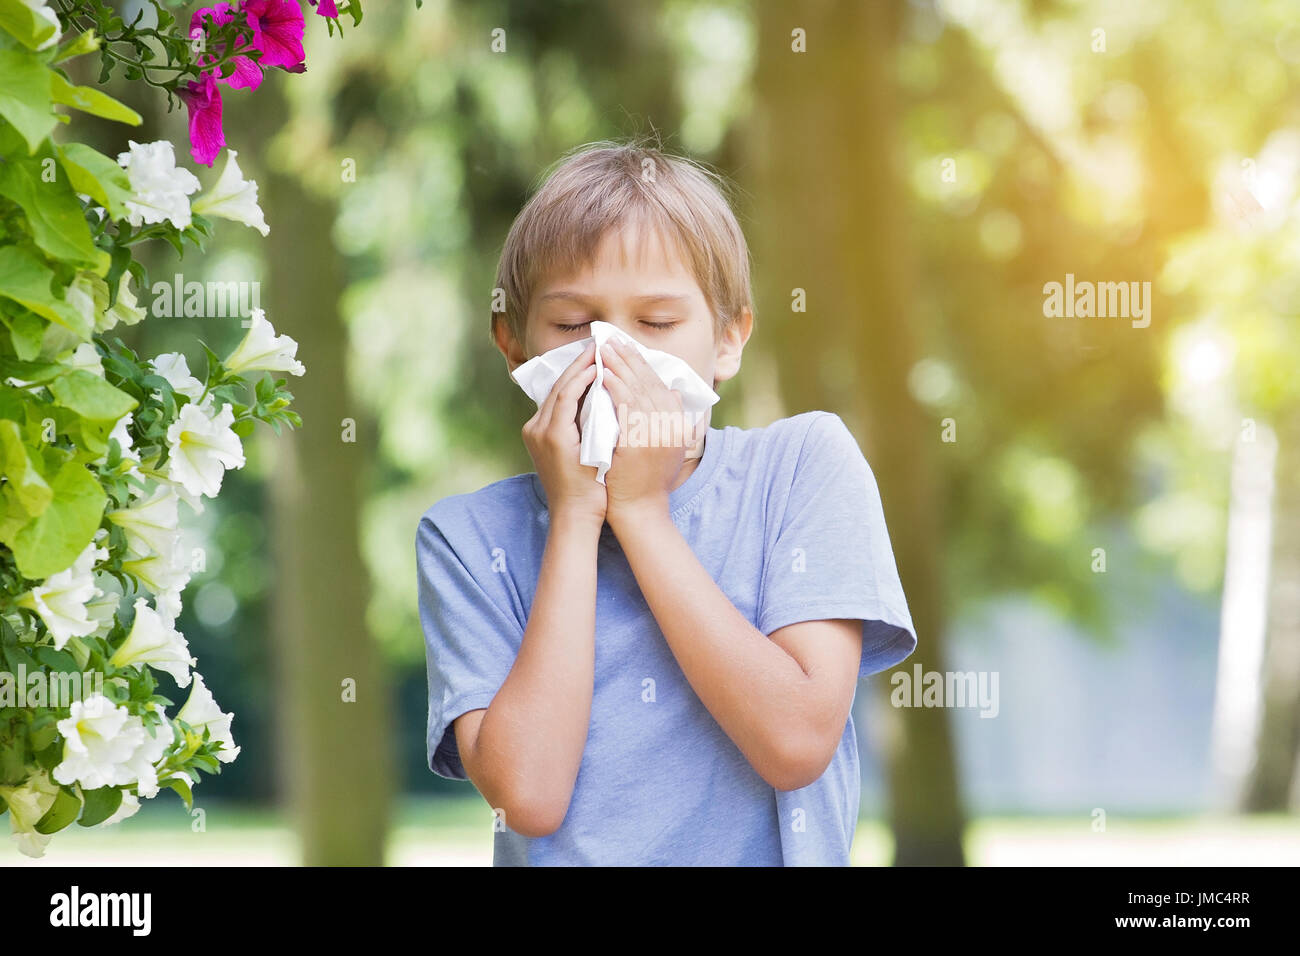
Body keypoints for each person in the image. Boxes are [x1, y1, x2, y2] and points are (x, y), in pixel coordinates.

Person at [417, 136, 917, 865]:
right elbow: (526, 796)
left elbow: (797, 742)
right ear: (514, 345)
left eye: (654, 324)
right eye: (571, 325)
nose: (612, 355)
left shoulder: (804, 467)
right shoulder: (466, 537)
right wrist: (578, 516)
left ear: (729, 338)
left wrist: (643, 514)